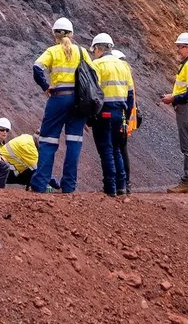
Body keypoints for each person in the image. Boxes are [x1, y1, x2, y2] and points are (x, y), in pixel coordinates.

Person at [30, 17, 94, 193]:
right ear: (72, 34)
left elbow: (37, 68)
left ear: (54, 34)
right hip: (79, 102)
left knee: (48, 140)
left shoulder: (52, 51)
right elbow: (93, 75)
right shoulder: (82, 51)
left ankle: (40, 184)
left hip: (58, 98)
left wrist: (45, 86)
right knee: (74, 142)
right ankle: (69, 185)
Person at [90, 33, 131, 196]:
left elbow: (93, 93)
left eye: (94, 50)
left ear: (98, 48)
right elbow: (130, 95)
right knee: (116, 149)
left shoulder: (97, 65)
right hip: (119, 113)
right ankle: (121, 186)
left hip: (104, 112)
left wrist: (91, 116)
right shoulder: (124, 66)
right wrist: (126, 116)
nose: (94, 53)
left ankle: (110, 188)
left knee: (106, 150)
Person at [160, 32, 188, 194]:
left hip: (186, 107)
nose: (178, 49)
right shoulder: (187, 65)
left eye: (181, 47)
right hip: (185, 107)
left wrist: (173, 98)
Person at [0, 118, 58, 189]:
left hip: (5, 170)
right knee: (36, 172)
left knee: (32, 170)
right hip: (0, 172)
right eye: (2, 130)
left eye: (7, 130)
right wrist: (58, 185)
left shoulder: (28, 138)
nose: (5, 132)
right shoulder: (29, 147)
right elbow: (41, 169)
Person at [111, 49, 136, 196]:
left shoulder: (121, 75)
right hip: (125, 120)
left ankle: (122, 183)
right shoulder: (127, 75)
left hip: (121, 119)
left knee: (118, 150)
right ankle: (125, 183)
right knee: (122, 150)